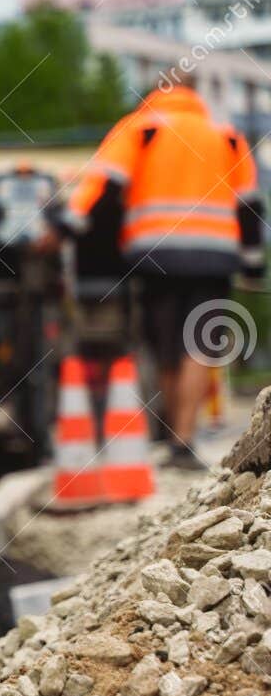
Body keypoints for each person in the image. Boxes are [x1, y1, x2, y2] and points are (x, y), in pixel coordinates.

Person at [49, 72, 265, 470]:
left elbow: (102, 182)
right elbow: (249, 204)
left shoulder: (141, 127)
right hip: (214, 256)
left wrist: (67, 225)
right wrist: (253, 263)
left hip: (156, 254)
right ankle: (184, 439)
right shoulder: (226, 136)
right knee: (200, 344)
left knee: (165, 345)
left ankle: (172, 440)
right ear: (195, 92)